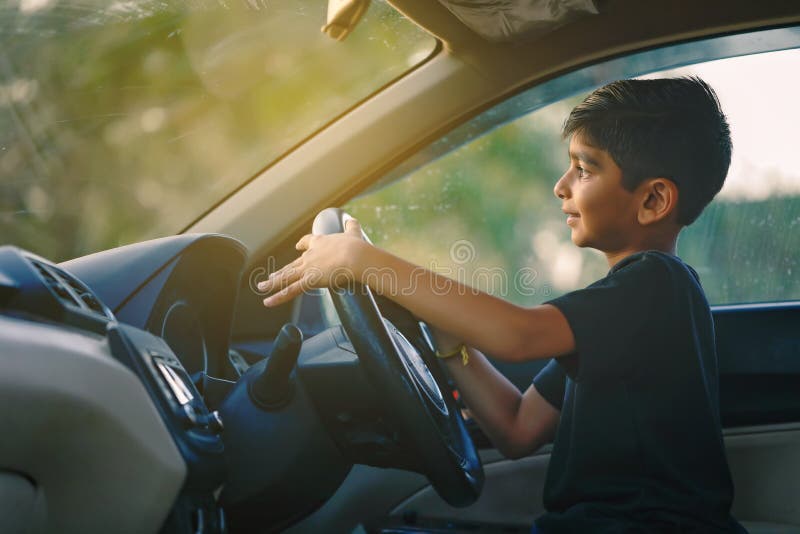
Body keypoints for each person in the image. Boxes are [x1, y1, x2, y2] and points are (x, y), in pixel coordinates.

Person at [258, 77, 745, 532]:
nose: (561, 185)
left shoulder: (657, 287)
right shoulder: (625, 317)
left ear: (654, 200)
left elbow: (519, 335)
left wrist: (363, 260)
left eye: (584, 168)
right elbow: (517, 427)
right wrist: (450, 342)